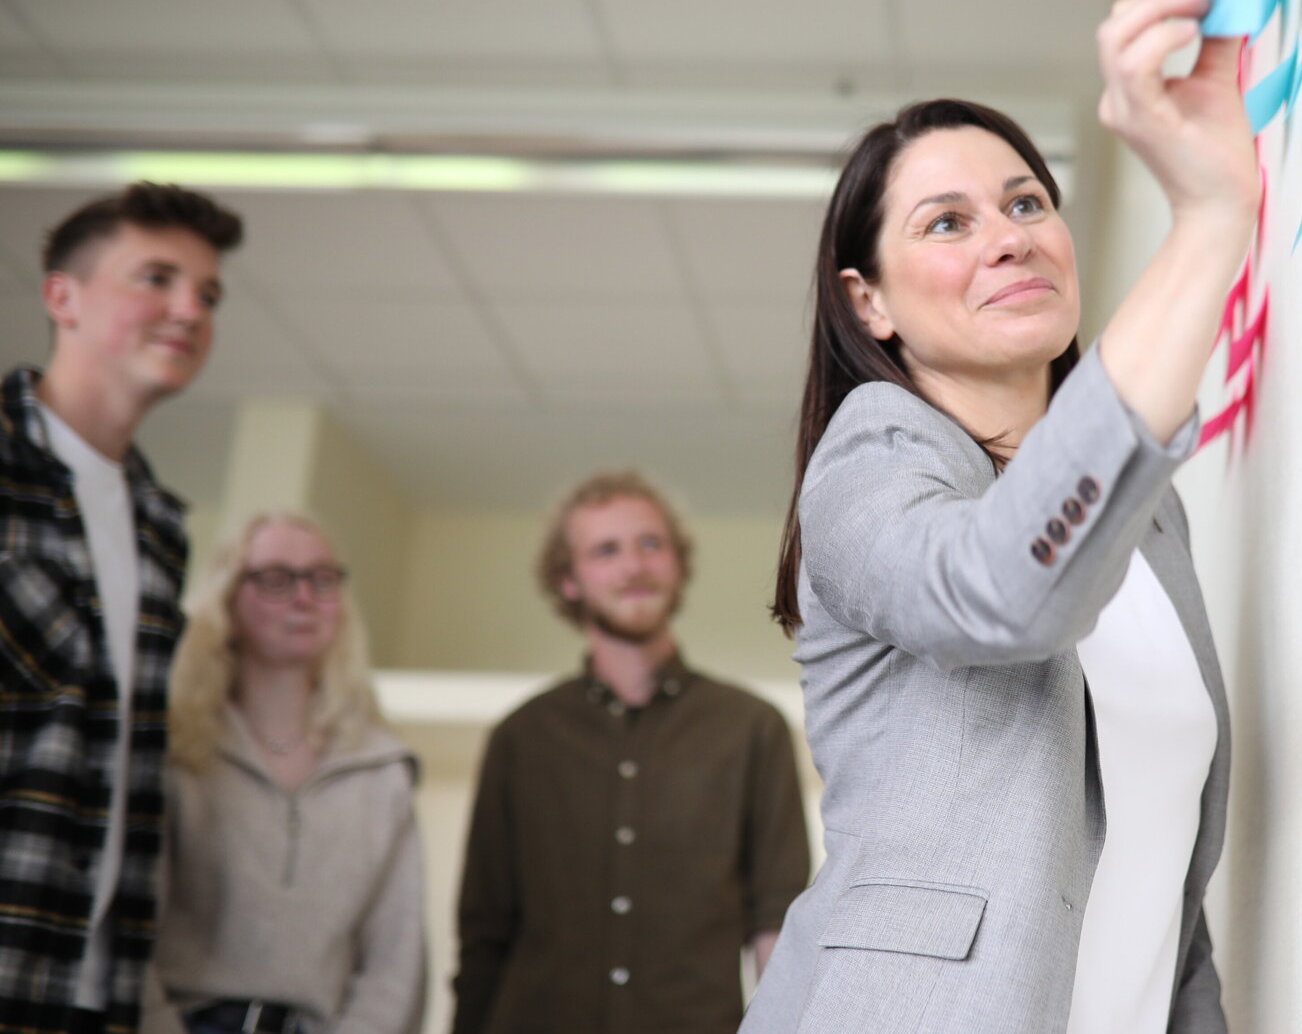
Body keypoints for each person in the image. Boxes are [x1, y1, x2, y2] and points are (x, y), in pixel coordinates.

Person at [743, 0, 1258, 1031]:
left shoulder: (1147, 517)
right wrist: (1210, 218)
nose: (1008, 238)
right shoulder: (869, 464)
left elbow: (1164, 881)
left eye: (1026, 203)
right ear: (868, 302)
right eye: (947, 223)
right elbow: (1000, 592)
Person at [0, 182, 242, 1033]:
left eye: (207, 294)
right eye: (157, 279)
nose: (189, 310)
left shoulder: (161, 530)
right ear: (61, 296)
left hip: (89, 990)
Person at [453, 470, 809, 1034]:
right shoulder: (521, 738)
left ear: (677, 563)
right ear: (568, 580)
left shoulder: (751, 729)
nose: (634, 566)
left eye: (651, 544)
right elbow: (484, 933)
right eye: (606, 550)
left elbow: (779, 922)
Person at [143, 511, 426, 1034]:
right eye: (275, 578)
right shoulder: (174, 752)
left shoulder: (382, 770)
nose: (304, 598)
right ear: (227, 597)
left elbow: (397, 962)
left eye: (322, 579)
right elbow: (133, 927)